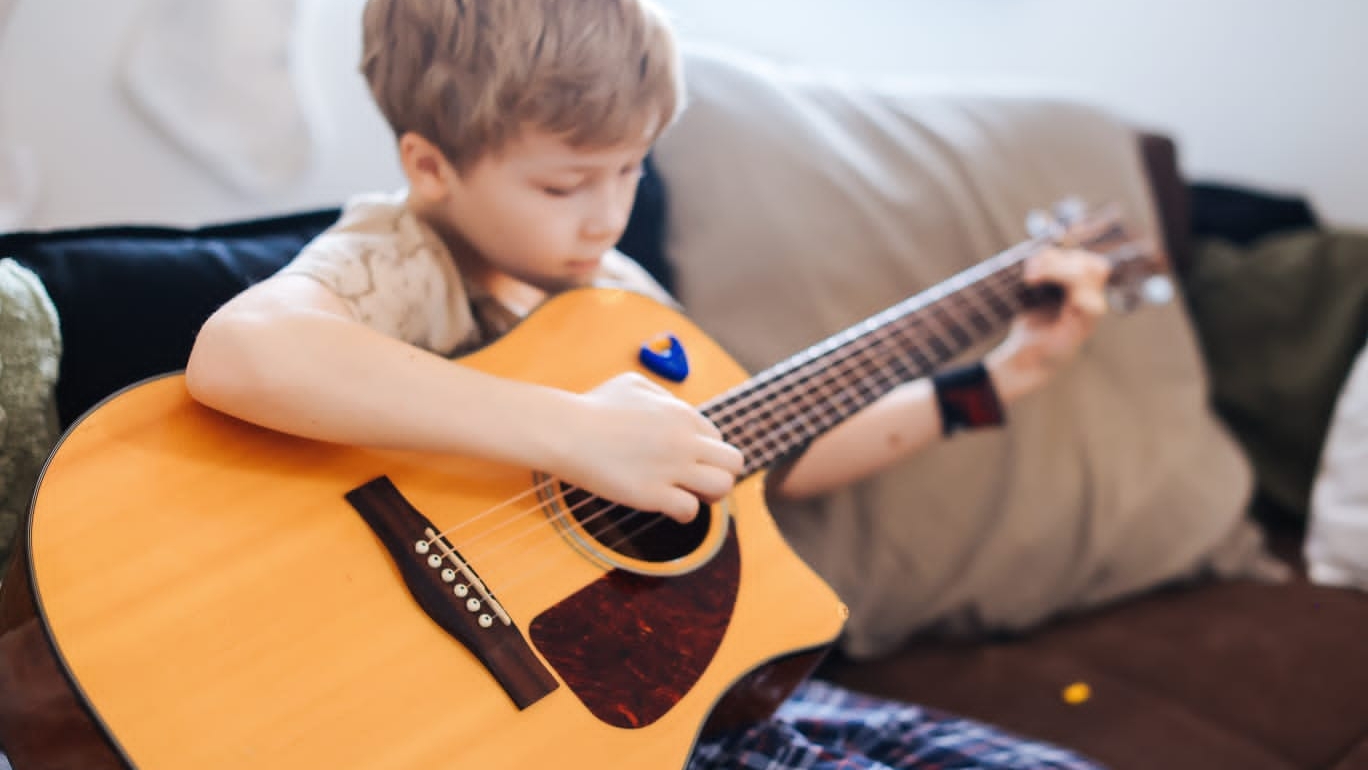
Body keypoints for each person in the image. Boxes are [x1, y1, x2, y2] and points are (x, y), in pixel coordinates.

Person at [184, 1, 1113, 768]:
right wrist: (575, 433)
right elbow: (242, 353)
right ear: (431, 166)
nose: (607, 216)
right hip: (493, 708)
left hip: (654, 688)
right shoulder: (399, 259)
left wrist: (1002, 377)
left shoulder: (618, 294)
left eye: (631, 169)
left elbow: (768, 451)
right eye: (565, 185)